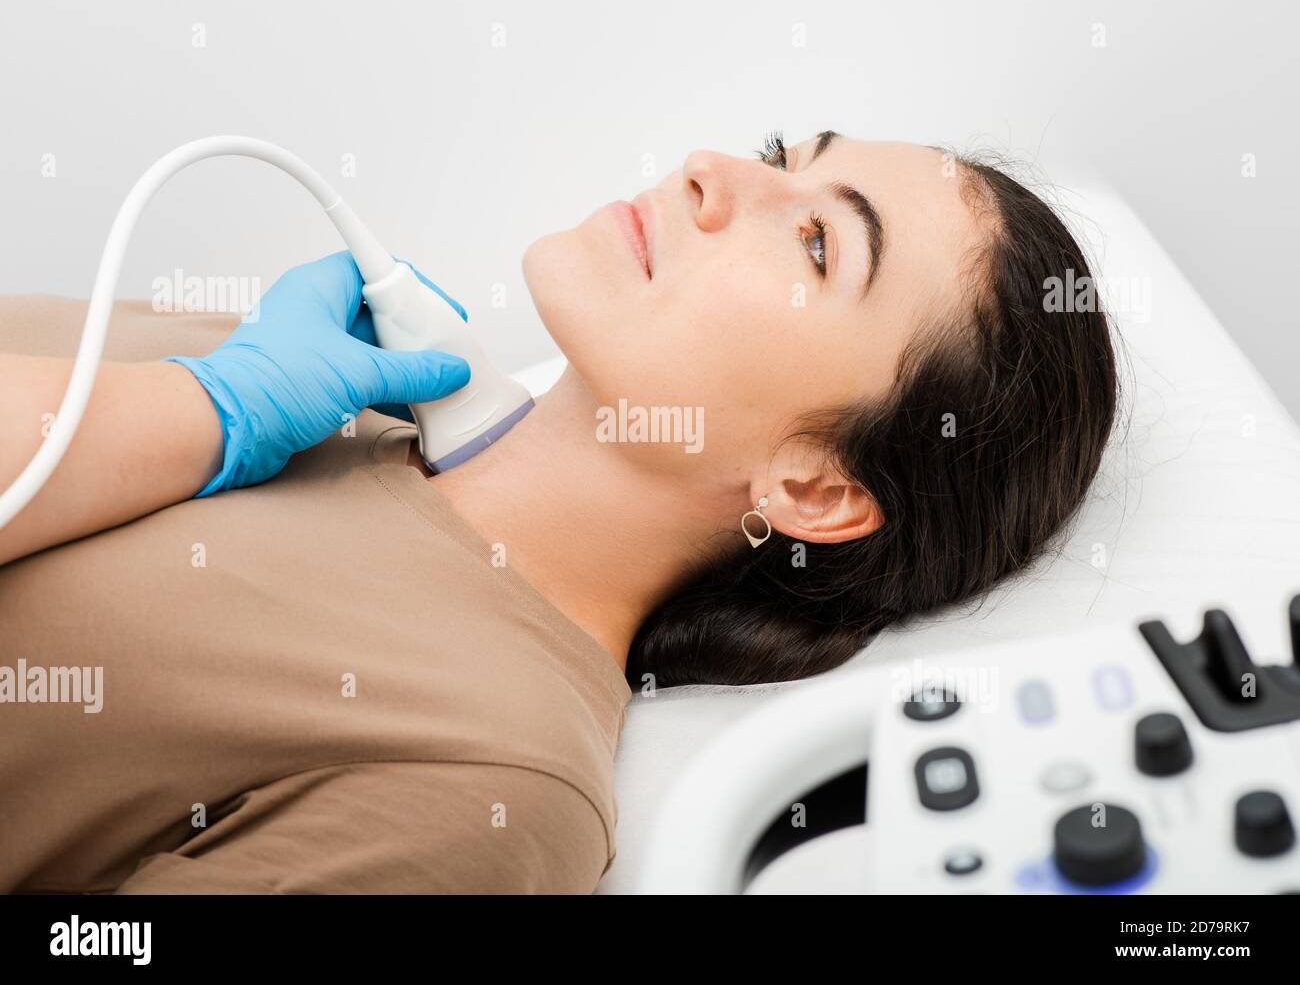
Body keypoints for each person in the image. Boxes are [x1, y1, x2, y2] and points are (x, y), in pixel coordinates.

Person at [0, 131, 1117, 893]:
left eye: (816, 243)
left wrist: (200, 414)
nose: (711, 170)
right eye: (780, 153)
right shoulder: (310, 373)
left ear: (815, 489)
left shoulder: (491, 777)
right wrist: (203, 401)